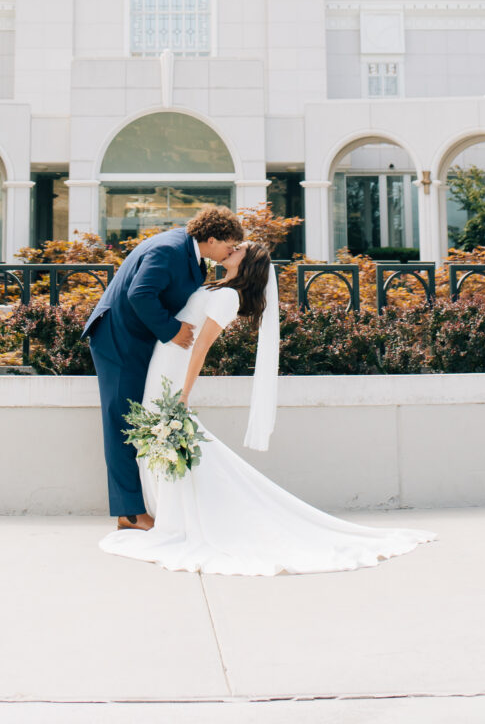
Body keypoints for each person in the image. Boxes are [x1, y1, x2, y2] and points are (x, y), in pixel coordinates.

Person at [99, 243, 436, 576]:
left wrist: (184, 394)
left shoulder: (229, 297)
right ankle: (168, 512)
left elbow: (200, 350)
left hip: (174, 370)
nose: (231, 249)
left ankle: (178, 517)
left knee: (170, 439)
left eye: (239, 250)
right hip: (163, 361)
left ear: (248, 264)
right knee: (160, 440)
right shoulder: (215, 285)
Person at [83, 209, 244, 530]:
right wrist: (172, 331)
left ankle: (143, 503)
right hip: (117, 341)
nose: (232, 250)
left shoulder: (191, 254)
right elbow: (139, 293)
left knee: (133, 419)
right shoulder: (169, 250)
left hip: (138, 343)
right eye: (230, 244)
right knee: (120, 424)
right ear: (211, 238)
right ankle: (129, 513)